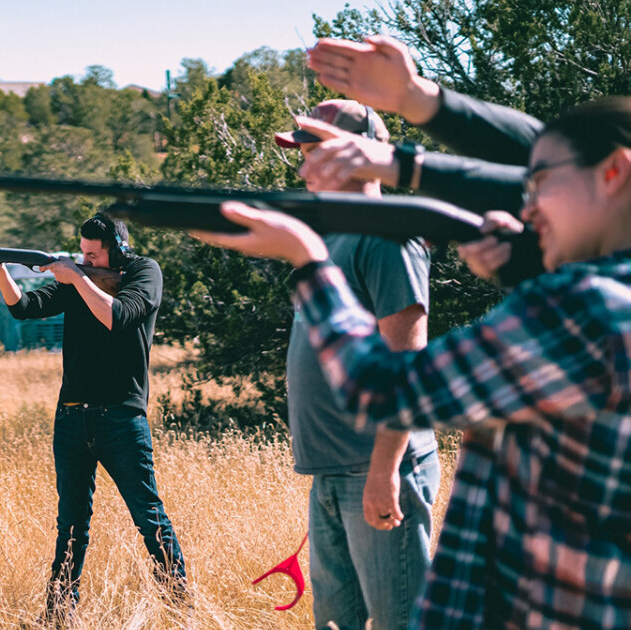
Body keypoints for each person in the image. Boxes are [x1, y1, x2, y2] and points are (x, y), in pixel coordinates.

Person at [195, 97, 631, 630]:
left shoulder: (583, 306)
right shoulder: (593, 298)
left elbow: (389, 385)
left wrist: (307, 264)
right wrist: (523, 268)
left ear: (614, 172)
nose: (527, 206)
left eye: (538, 182)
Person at [0, 214, 186, 621]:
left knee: (148, 517)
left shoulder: (144, 272)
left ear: (118, 251)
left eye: (93, 255)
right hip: (71, 417)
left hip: (120, 417)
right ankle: (58, 615)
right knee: (70, 523)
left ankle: (180, 608)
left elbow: (118, 316)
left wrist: (77, 277)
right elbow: (24, 308)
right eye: (82, 253)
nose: (85, 261)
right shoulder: (79, 277)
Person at [274, 98, 440, 630]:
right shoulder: (330, 237)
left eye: (313, 152)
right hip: (331, 471)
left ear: (359, 153)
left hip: (376, 467)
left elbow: (406, 364)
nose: (303, 169)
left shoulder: (387, 235)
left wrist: (384, 471)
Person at [302, 34, 548, 283]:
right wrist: (415, 98)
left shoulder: (386, 242)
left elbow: (552, 167)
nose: (305, 169)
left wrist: (403, 164)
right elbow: (547, 156)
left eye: (318, 152)